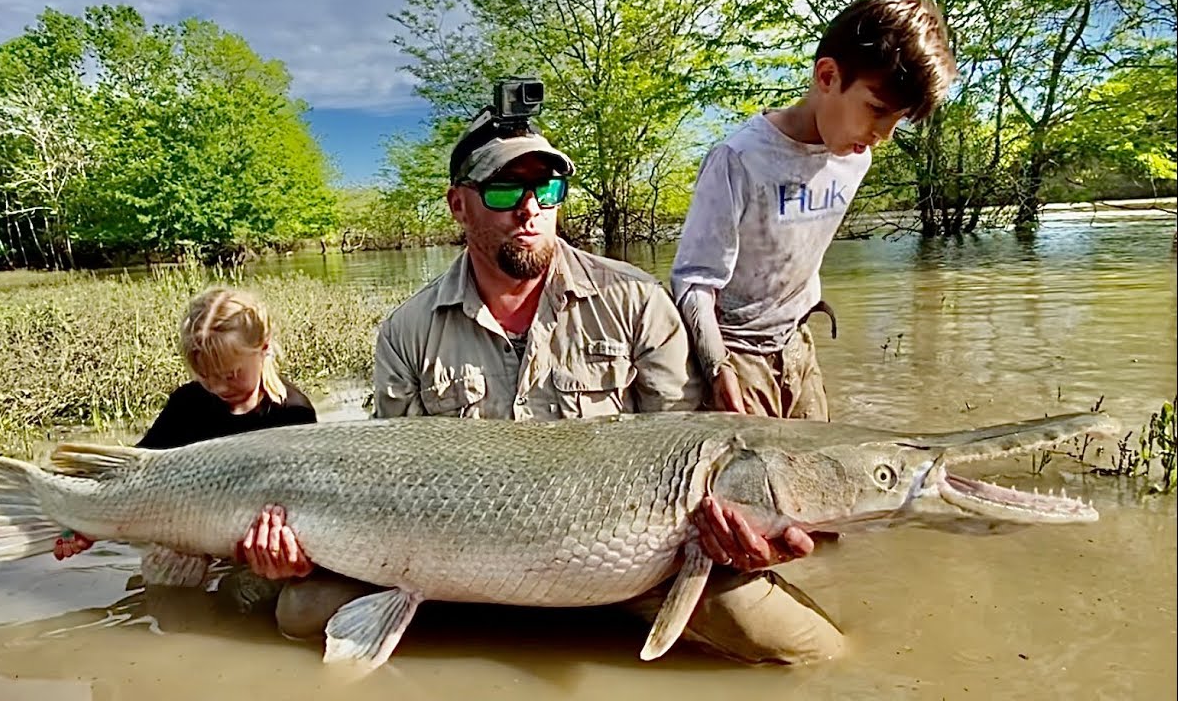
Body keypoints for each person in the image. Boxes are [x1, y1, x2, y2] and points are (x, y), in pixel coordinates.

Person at [263, 102, 836, 663]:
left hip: (630, 566)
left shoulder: (636, 302)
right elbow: (385, 483)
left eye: (549, 189)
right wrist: (304, 549)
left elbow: (690, 443)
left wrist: (737, 538)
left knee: (809, 648)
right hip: (451, 564)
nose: (531, 209)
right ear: (458, 205)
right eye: (506, 190)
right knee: (299, 610)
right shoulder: (407, 331)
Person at [670, 0, 958, 421]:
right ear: (827, 76)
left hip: (797, 345)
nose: (883, 134)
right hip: (735, 351)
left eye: (896, 121)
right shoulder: (739, 160)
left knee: (827, 470)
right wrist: (716, 366)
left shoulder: (856, 159)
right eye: (876, 110)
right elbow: (693, 282)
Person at [52, 286, 318, 566]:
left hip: (257, 549)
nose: (217, 387)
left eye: (230, 375)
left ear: (263, 348)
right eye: (205, 376)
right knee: (164, 581)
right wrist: (81, 526)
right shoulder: (188, 403)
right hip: (186, 537)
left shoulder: (293, 413)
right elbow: (130, 480)